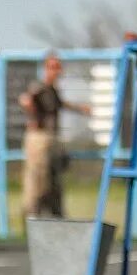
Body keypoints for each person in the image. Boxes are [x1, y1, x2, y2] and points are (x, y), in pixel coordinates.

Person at [19, 52, 91, 218]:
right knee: (38, 183)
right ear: (45, 68)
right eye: (52, 67)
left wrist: (81, 109)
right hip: (39, 139)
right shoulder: (39, 86)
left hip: (52, 139)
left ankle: (55, 218)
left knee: (54, 183)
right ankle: (33, 218)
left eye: (58, 67)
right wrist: (31, 111)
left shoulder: (52, 91)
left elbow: (61, 104)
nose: (56, 71)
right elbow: (26, 99)